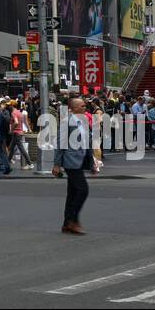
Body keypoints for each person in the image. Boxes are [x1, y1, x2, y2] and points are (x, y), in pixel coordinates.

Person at [53, 97, 102, 235]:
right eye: (81, 106)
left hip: (80, 160)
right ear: (73, 108)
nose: (84, 107)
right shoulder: (66, 122)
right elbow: (60, 143)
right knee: (83, 190)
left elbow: (87, 142)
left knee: (73, 193)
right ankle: (73, 220)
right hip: (71, 161)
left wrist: (91, 162)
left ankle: (67, 223)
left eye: (84, 105)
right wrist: (57, 164)